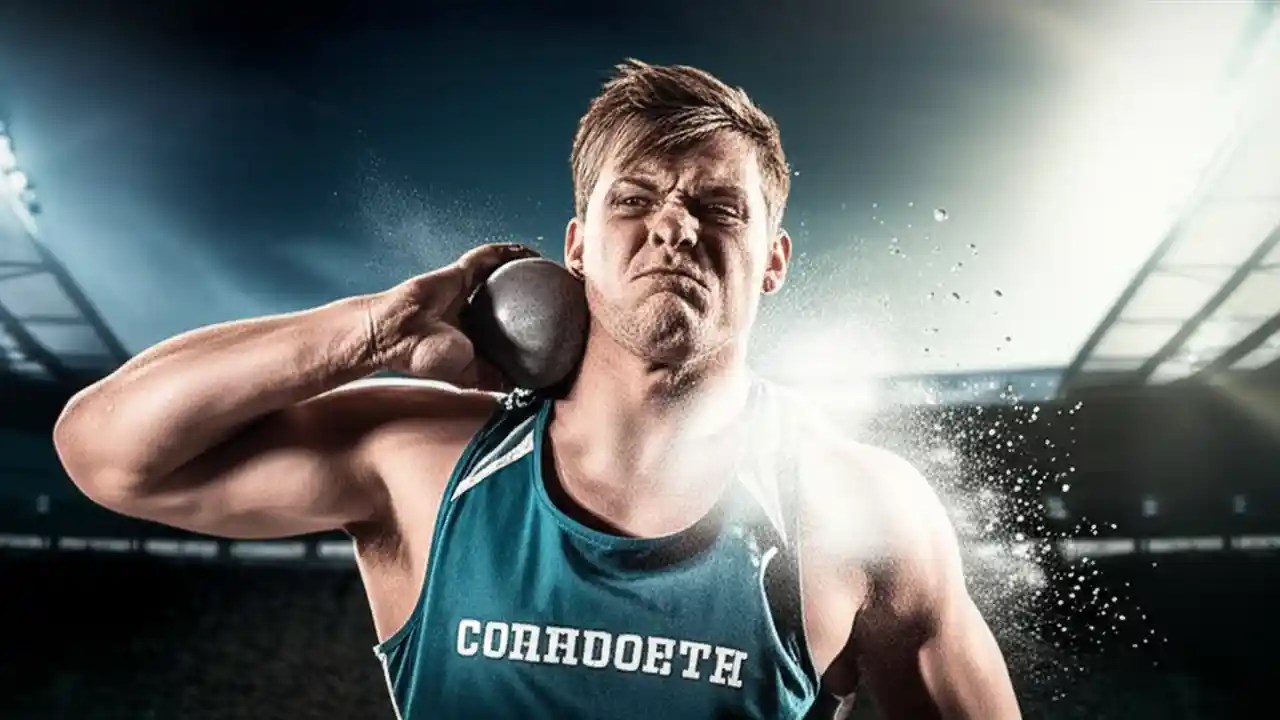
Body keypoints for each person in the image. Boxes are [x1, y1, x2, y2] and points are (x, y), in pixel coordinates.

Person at [53, 59, 1021, 719]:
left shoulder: (859, 512)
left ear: (770, 261)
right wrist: (373, 331)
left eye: (717, 207)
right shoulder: (431, 467)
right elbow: (104, 448)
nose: (673, 227)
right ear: (574, 249)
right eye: (633, 200)